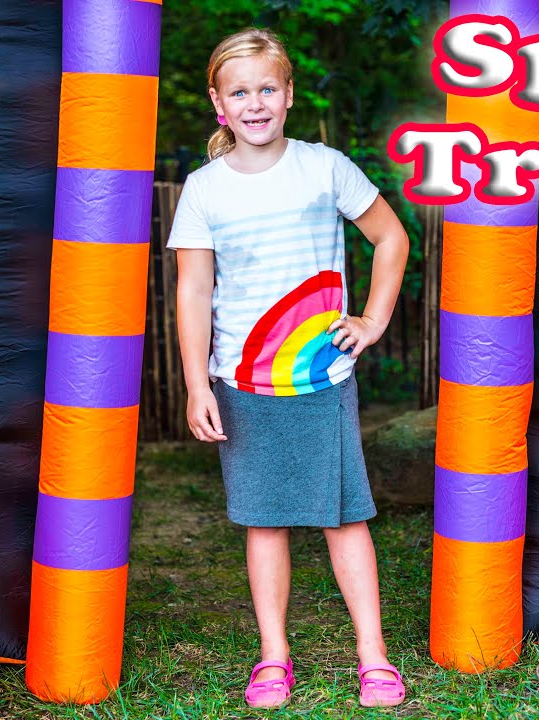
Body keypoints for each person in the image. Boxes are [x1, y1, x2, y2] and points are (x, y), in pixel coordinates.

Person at [166, 27, 411, 710]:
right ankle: (273, 657)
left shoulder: (323, 167)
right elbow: (193, 291)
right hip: (242, 386)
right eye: (239, 91)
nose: (255, 103)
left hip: (319, 381)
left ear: (289, 95)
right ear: (218, 103)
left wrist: (373, 319)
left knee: (344, 518)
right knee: (264, 521)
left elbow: (391, 237)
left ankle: (374, 656)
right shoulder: (203, 189)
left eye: (266, 88)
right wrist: (195, 384)